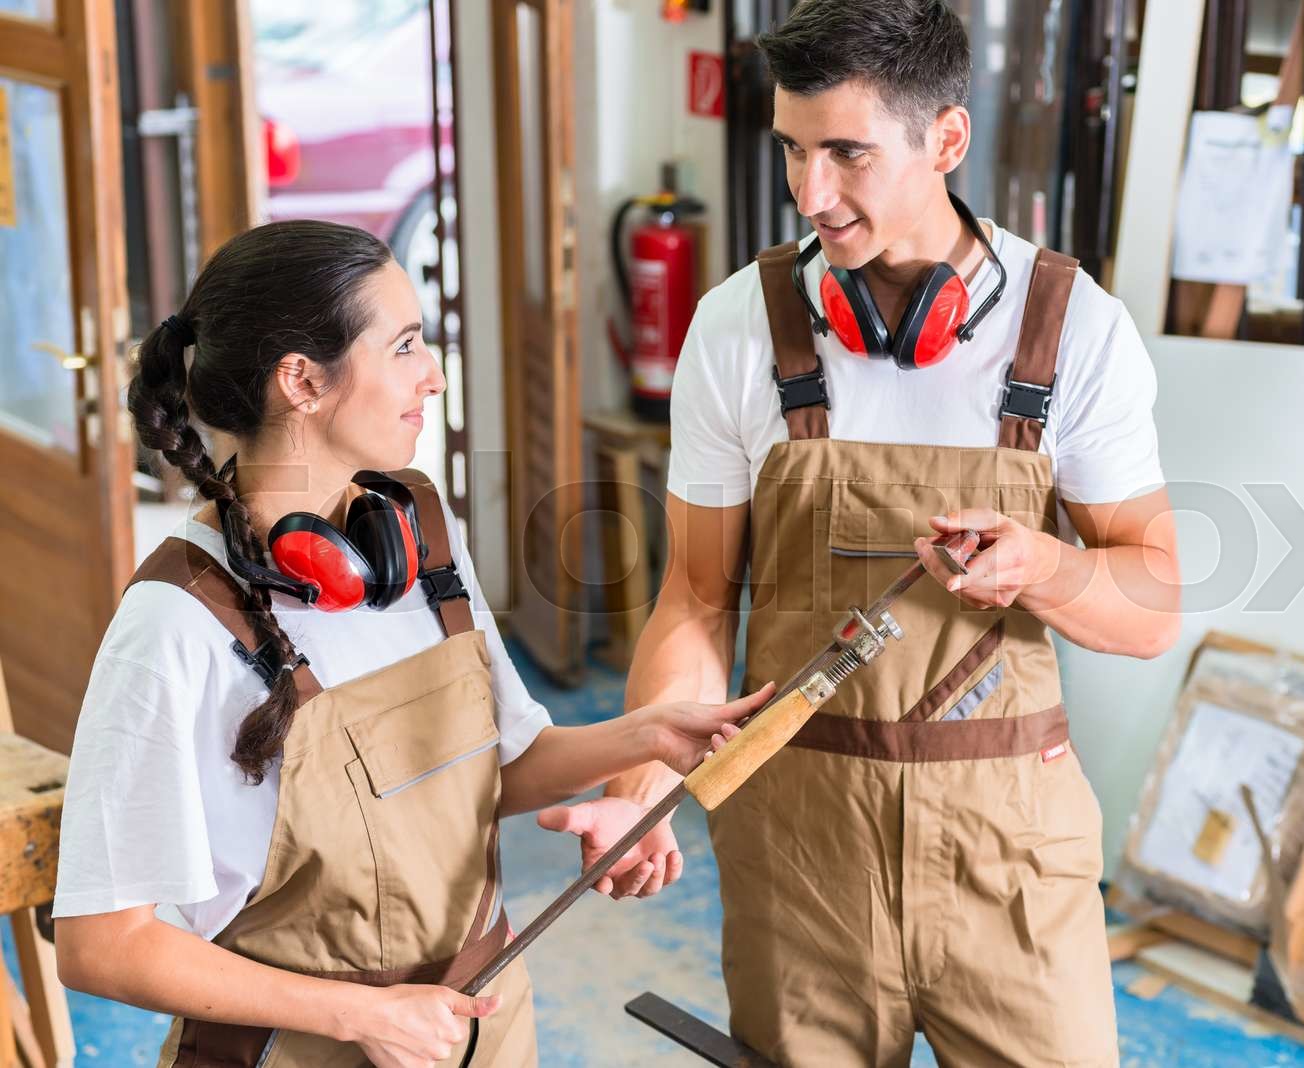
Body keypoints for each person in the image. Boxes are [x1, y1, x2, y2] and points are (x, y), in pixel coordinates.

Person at [538, 1, 1182, 1064]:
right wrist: (634, 796)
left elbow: (1152, 607)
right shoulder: (741, 326)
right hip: (799, 860)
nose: (810, 194)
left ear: (945, 139)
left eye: (847, 153)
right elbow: (695, 603)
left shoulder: (1071, 329)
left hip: (1008, 863)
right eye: (792, 151)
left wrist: (1047, 567)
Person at [51, 220, 773, 1068]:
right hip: (303, 1048)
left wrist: (646, 736)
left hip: (483, 1021)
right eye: (403, 346)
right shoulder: (176, 623)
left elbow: (492, 764)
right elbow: (102, 942)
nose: (433, 376)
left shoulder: (418, 536)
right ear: (301, 382)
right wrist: (361, 1017)